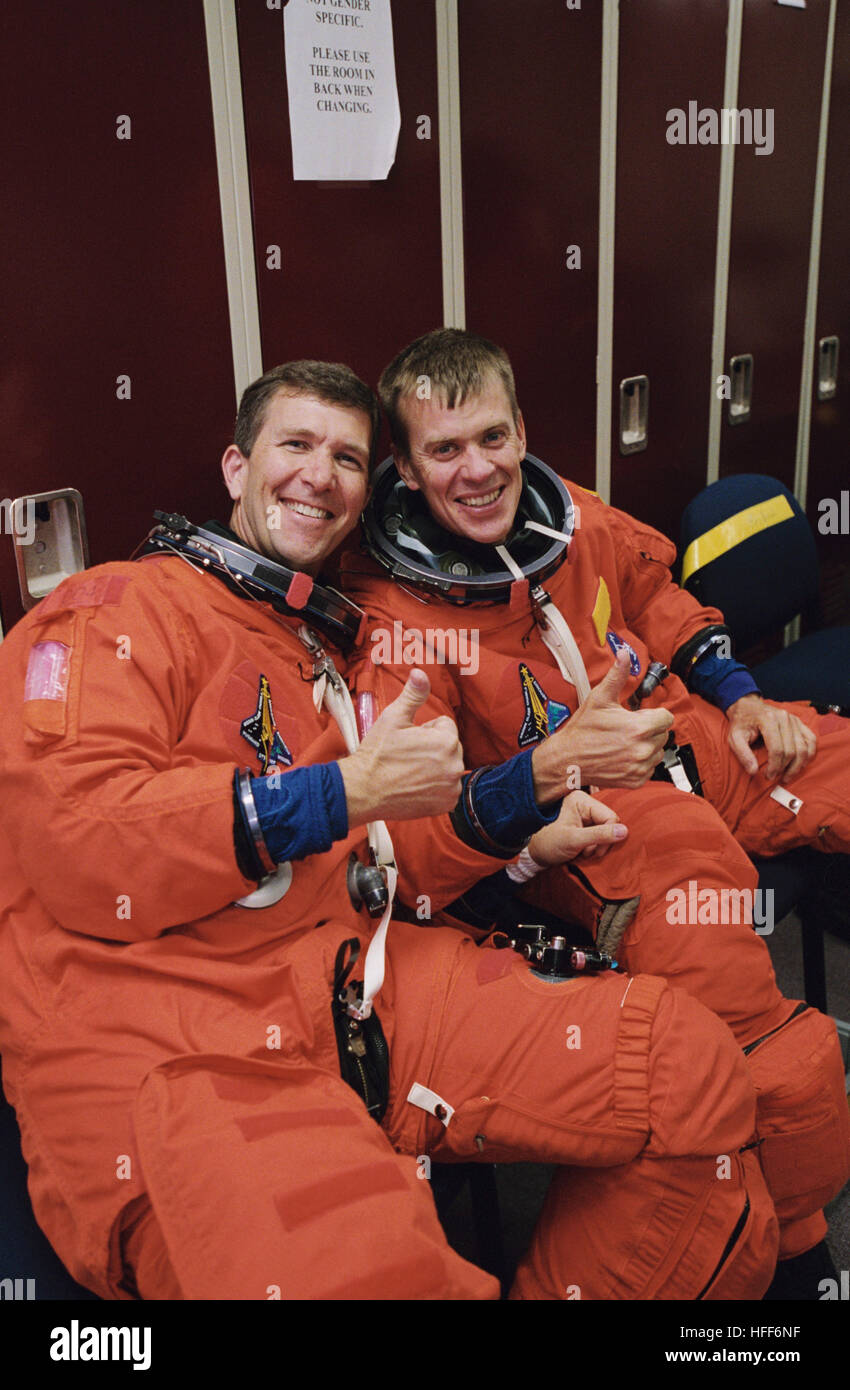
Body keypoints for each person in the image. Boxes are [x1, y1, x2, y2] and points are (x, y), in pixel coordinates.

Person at [0, 359, 780, 1303]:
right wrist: (339, 791)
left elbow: (401, 869)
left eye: (347, 458)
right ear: (236, 469)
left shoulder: (326, 642)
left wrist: (528, 791)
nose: (319, 476)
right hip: (177, 1042)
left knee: (693, 1072)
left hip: (353, 985)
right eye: (295, 446)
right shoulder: (108, 614)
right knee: (361, 1277)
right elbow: (83, 841)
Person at [341, 328, 850, 1299]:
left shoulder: (565, 512)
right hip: (598, 817)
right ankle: (798, 1256)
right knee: (759, 1028)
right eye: (443, 450)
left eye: (492, 437)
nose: (478, 469)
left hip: (695, 735)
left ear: (521, 429)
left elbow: (660, 598)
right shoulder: (397, 616)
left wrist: (741, 694)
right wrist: (539, 784)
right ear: (404, 468)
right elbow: (413, 812)